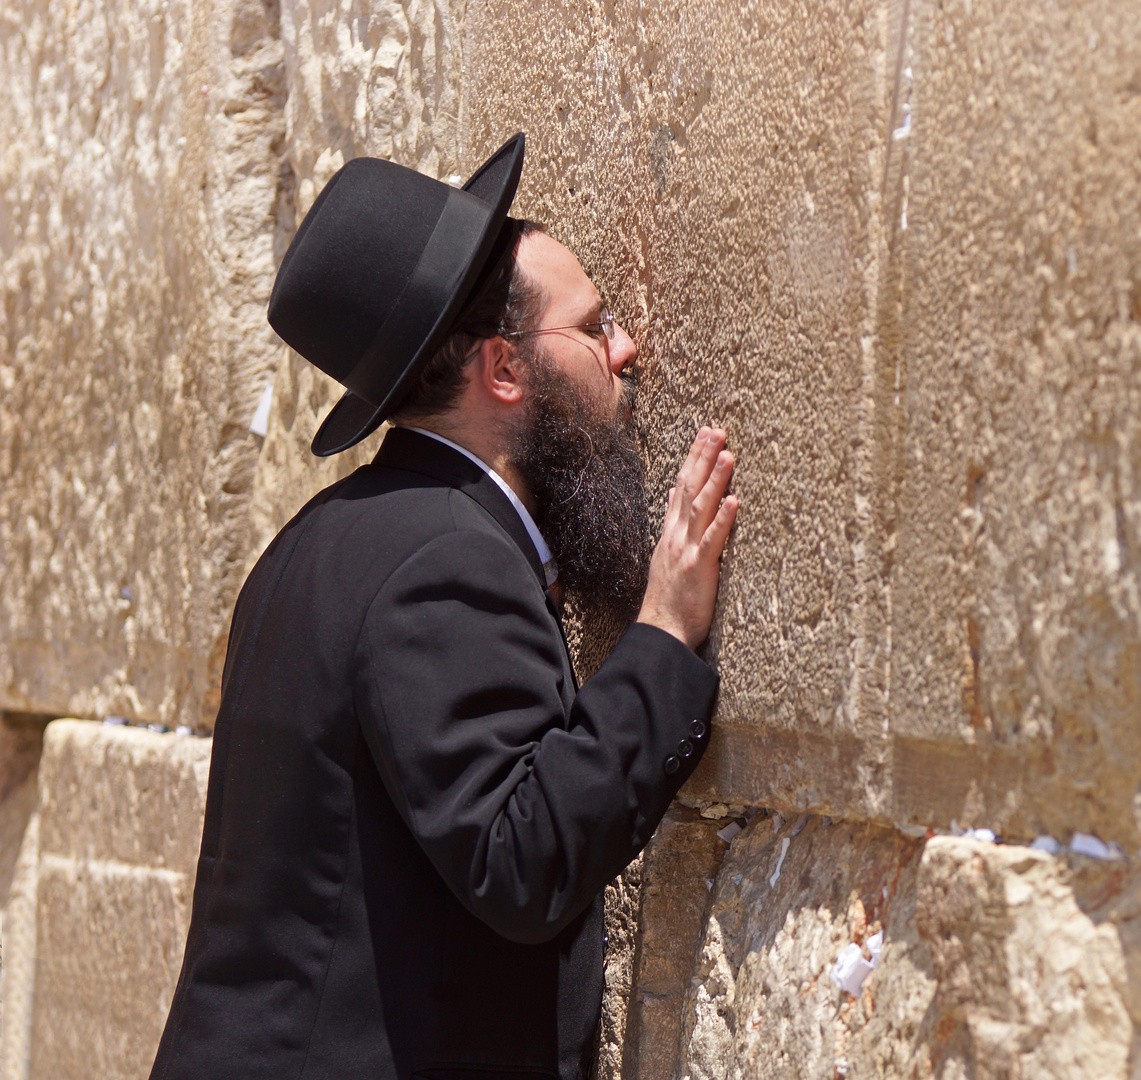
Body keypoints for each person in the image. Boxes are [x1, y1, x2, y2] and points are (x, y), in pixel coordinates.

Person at [149, 133, 738, 1080]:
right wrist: (664, 637)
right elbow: (522, 855)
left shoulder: (318, 542)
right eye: (594, 327)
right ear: (504, 371)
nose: (629, 351)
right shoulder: (447, 561)